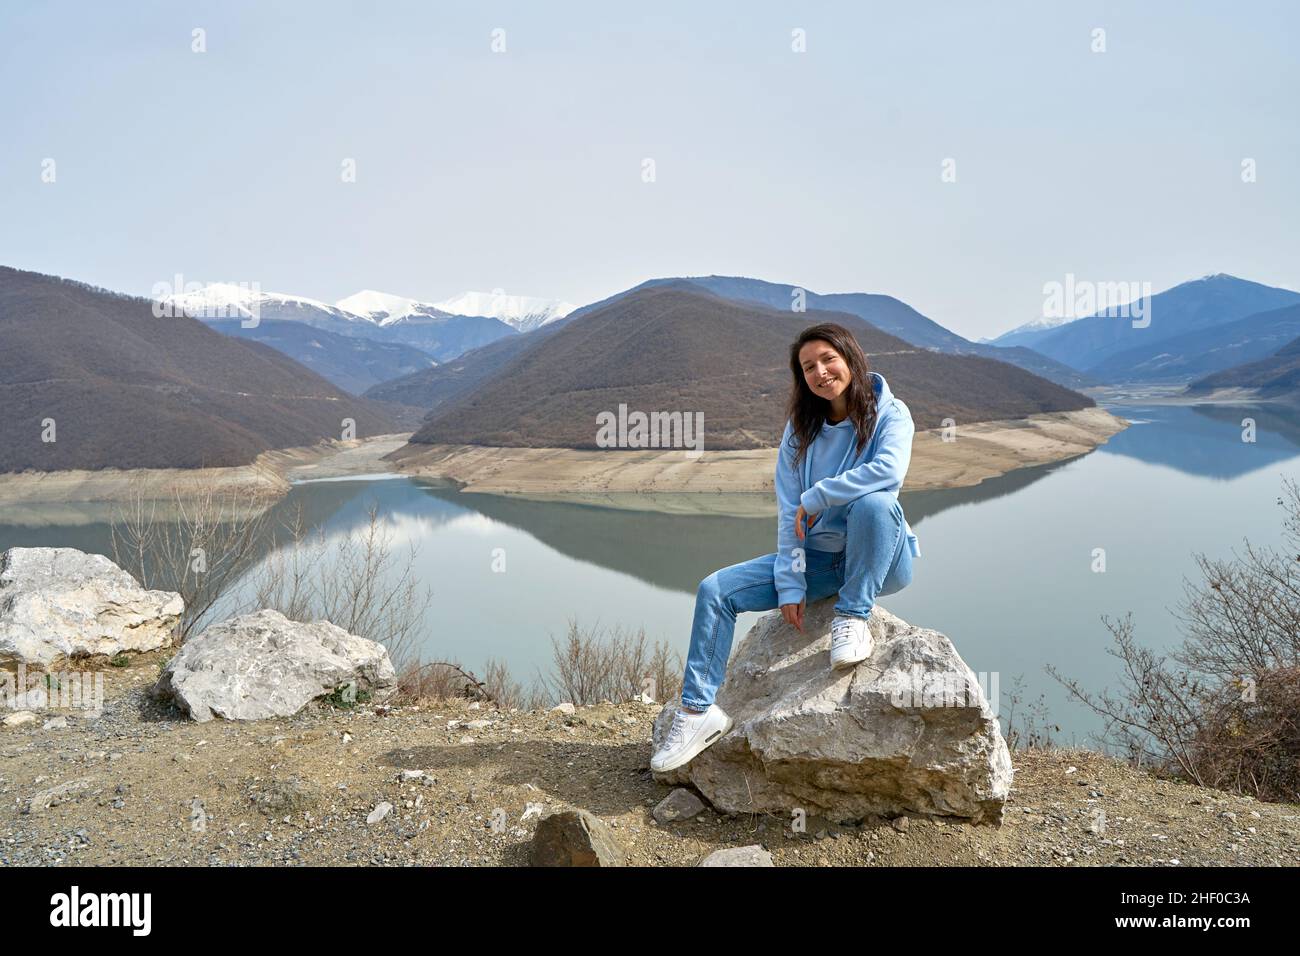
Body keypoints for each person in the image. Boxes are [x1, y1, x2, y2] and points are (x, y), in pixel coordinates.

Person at [650, 322, 920, 772]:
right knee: (715, 590)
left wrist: (821, 495)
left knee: (873, 505)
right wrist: (791, 583)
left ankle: (853, 616)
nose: (821, 372)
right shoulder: (800, 433)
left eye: (828, 359)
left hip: (879, 557)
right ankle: (697, 712)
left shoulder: (892, 414)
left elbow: (888, 473)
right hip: (819, 562)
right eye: (808, 367)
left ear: (850, 358)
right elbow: (788, 513)